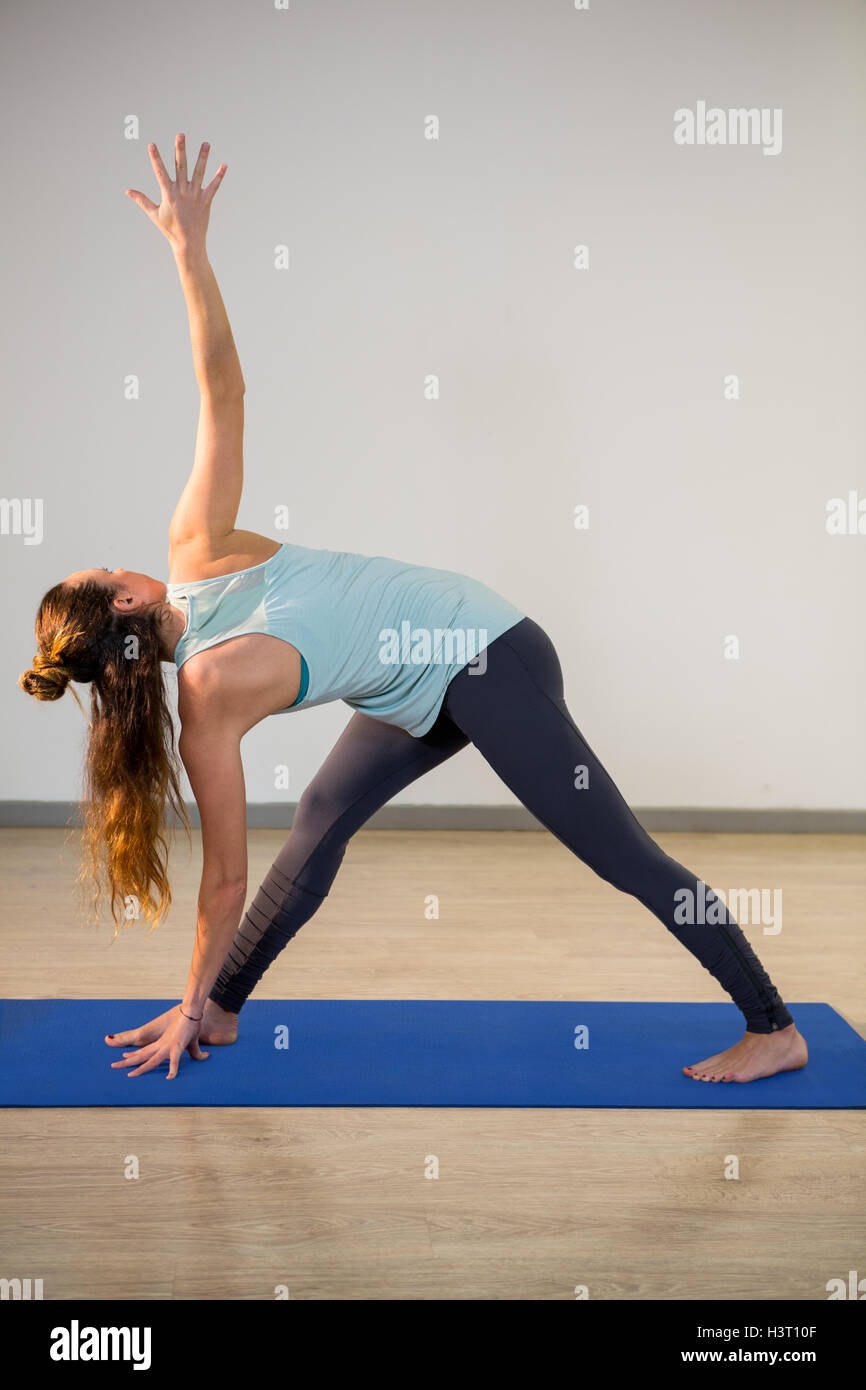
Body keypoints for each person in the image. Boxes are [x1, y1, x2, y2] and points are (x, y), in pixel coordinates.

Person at [20, 135, 807, 1086]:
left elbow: (220, 882)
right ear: (131, 599)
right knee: (320, 815)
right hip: (426, 680)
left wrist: (179, 1001)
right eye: (107, 567)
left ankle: (775, 1026)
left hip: (485, 649)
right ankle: (220, 1013)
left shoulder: (200, 693)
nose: (121, 561)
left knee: (614, 850)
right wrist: (191, 254)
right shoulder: (197, 558)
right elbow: (223, 385)